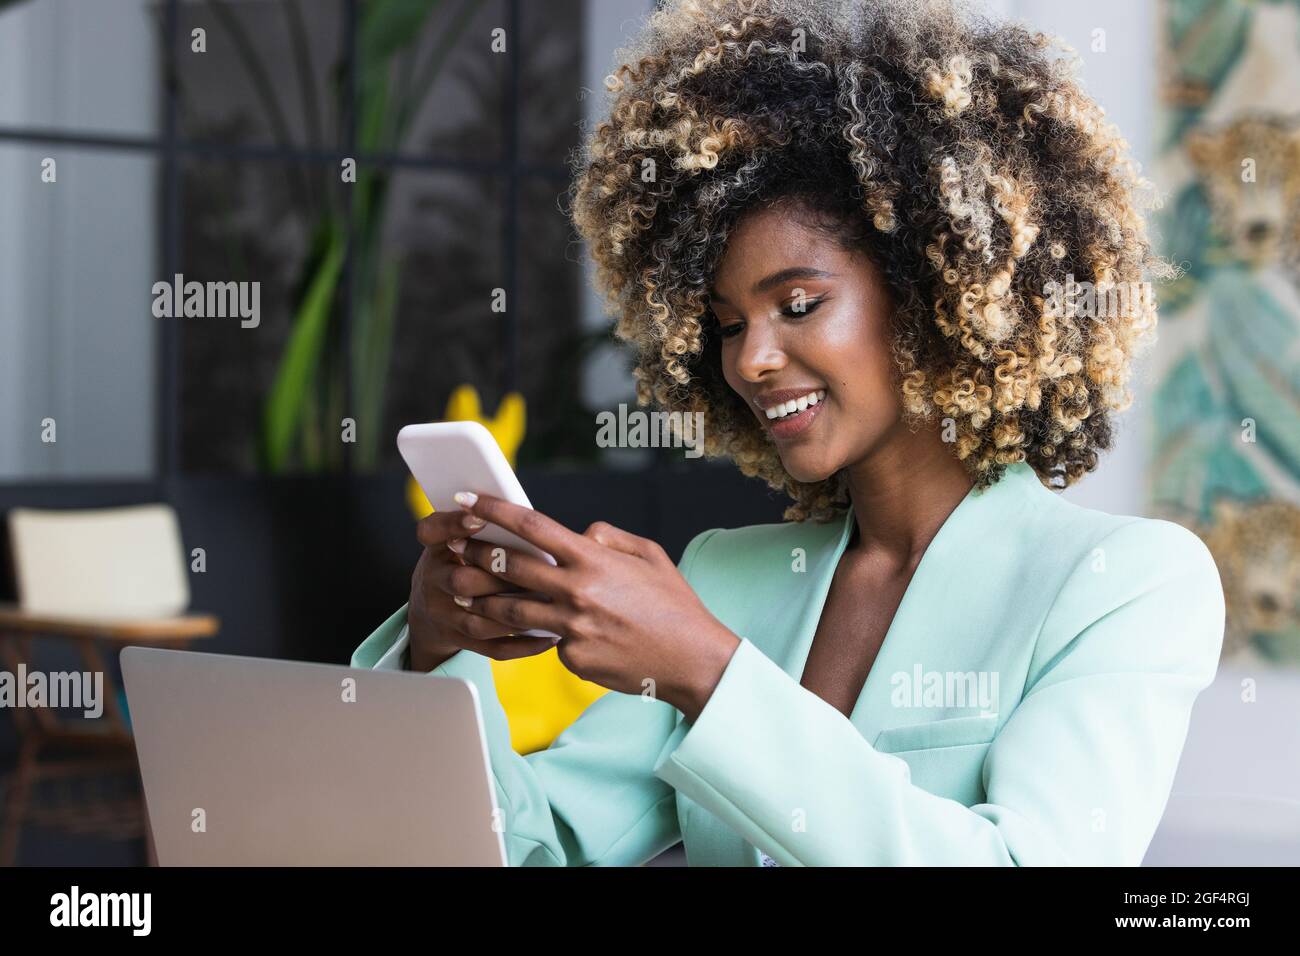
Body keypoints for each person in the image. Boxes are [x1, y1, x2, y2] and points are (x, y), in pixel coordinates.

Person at [352, 0, 1225, 866]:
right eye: (728, 324)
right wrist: (439, 657)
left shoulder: (1123, 584)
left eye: (799, 304)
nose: (752, 361)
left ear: (937, 295)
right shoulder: (727, 577)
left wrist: (710, 673)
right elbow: (534, 849)